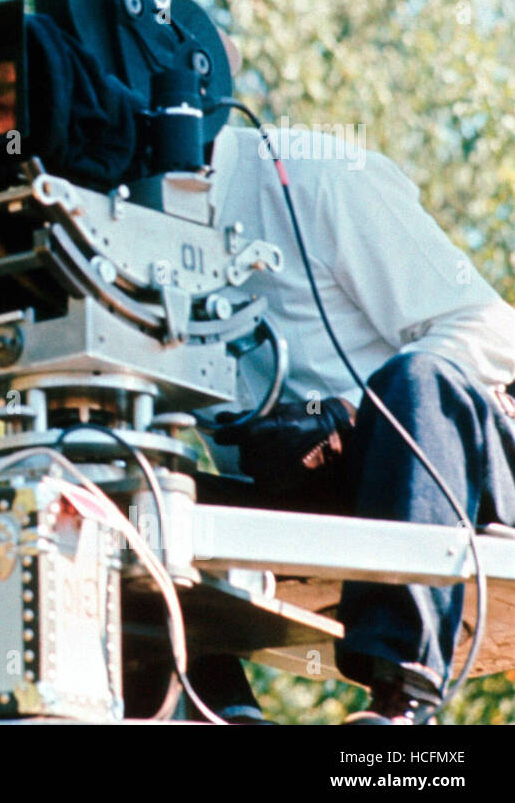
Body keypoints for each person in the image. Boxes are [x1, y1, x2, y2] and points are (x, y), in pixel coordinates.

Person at [202, 103, 515, 724]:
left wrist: (351, 415)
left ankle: (404, 703)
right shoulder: (111, 234)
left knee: (414, 381)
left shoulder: (312, 176)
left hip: (461, 474)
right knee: (114, 501)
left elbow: (492, 332)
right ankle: (218, 709)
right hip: (319, 499)